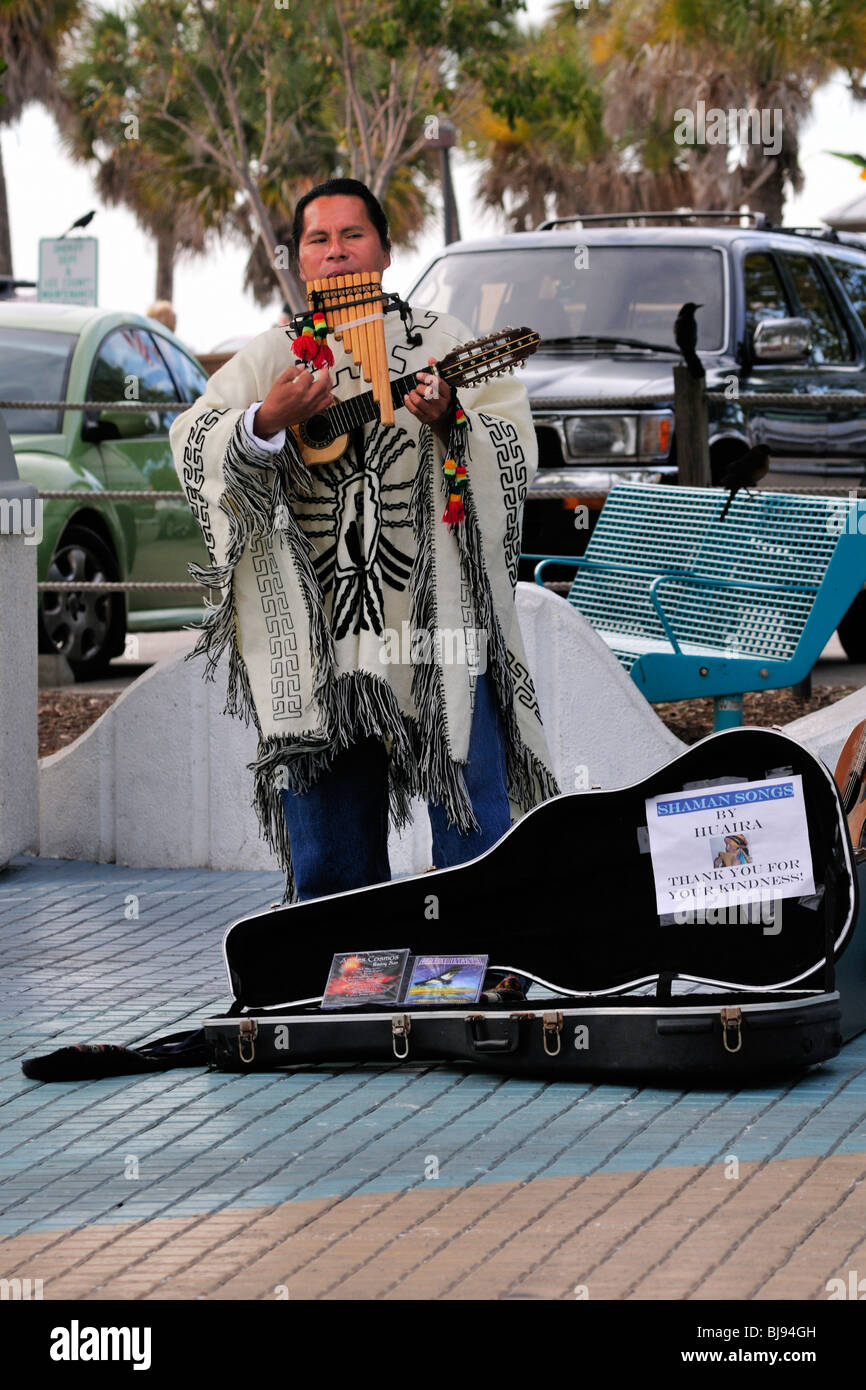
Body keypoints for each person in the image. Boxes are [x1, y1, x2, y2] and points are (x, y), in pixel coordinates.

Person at [170, 177, 559, 904]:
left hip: (435, 625)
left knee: (471, 813)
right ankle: (343, 975)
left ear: (383, 249)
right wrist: (266, 419)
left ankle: (475, 962)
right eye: (319, 239)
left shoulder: (444, 343)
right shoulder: (272, 355)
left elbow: (512, 451)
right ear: (298, 261)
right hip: (325, 635)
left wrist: (452, 423)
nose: (337, 253)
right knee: (329, 846)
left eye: (353, 235)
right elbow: (194, 442)